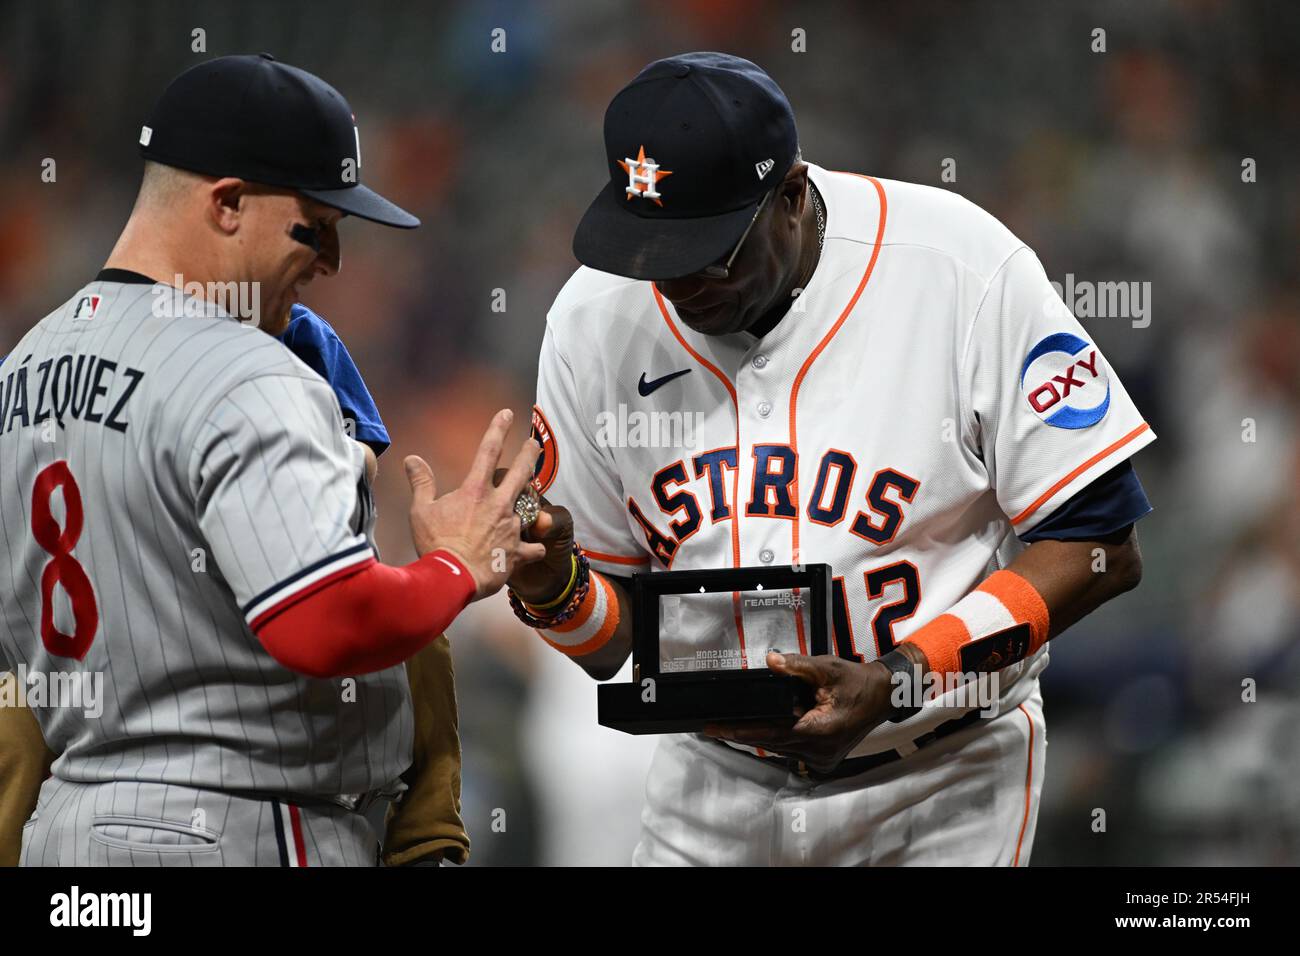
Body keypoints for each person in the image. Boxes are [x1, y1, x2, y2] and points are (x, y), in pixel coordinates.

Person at [508, 52, 1156, 866]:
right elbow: (617, 643)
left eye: (708, 254)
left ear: (790, 193)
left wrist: (902, 677)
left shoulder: (959, 268)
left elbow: (1101, 547)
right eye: (653, 254)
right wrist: (552, 590)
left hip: (942, 778)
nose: (677, 286)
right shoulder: (590, 321)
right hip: (711, 789)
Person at [0, 54, 542, 866]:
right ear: (226, 203)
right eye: (314, 225)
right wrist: (455, 569)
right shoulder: (247, 373)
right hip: (232, 828)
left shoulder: (23, 369)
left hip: (73, 831)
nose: (331, 261)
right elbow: (327, 621)